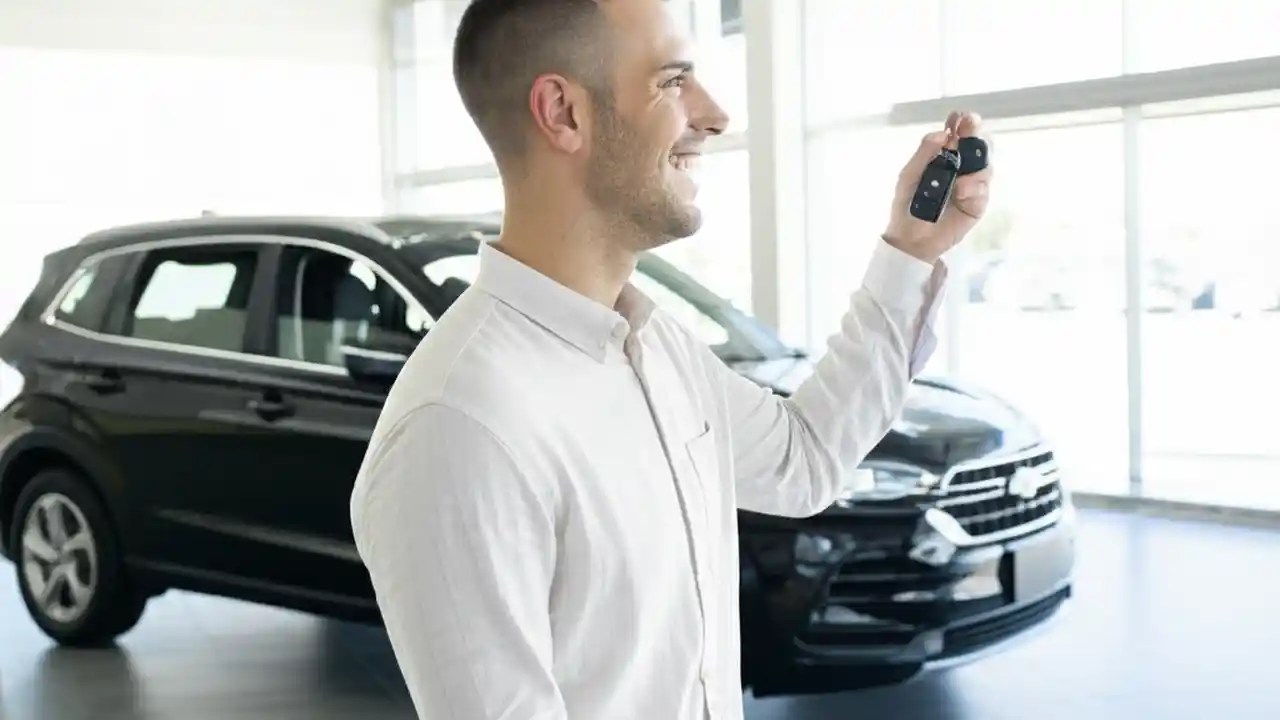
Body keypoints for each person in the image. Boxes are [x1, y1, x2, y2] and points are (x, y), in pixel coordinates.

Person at [349, 0, 992, 718]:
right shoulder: (460, 427)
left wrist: (909, 252)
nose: (715, 115)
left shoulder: (656, 347)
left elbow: (802, 460)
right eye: (672, 81)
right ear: (562, 112)